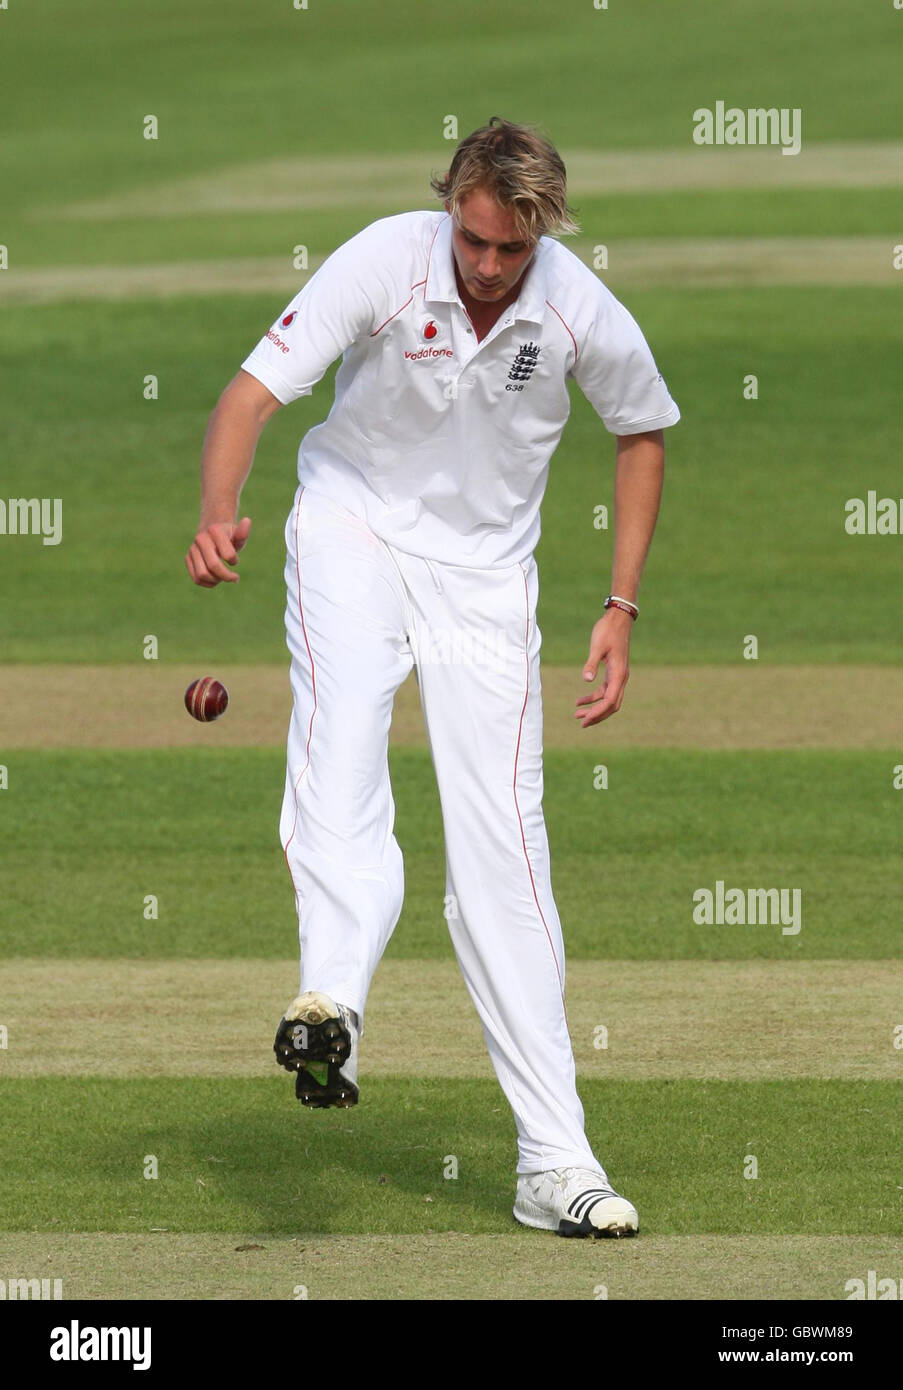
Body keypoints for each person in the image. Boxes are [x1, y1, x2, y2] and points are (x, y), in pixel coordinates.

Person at [185, 117, 680, 1238]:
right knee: (342, 742)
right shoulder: (386, 258)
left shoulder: (578, 307)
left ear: (544, 230)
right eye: (472, 240)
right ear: (449, 209)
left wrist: (621, 602)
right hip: (351, 526)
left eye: (510, 248)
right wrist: (220, 510)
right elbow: (251, 395)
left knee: (505, 847)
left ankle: (555, 1163)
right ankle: (332, 1004)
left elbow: (643, 428)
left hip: (486, 579)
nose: (486, 265)